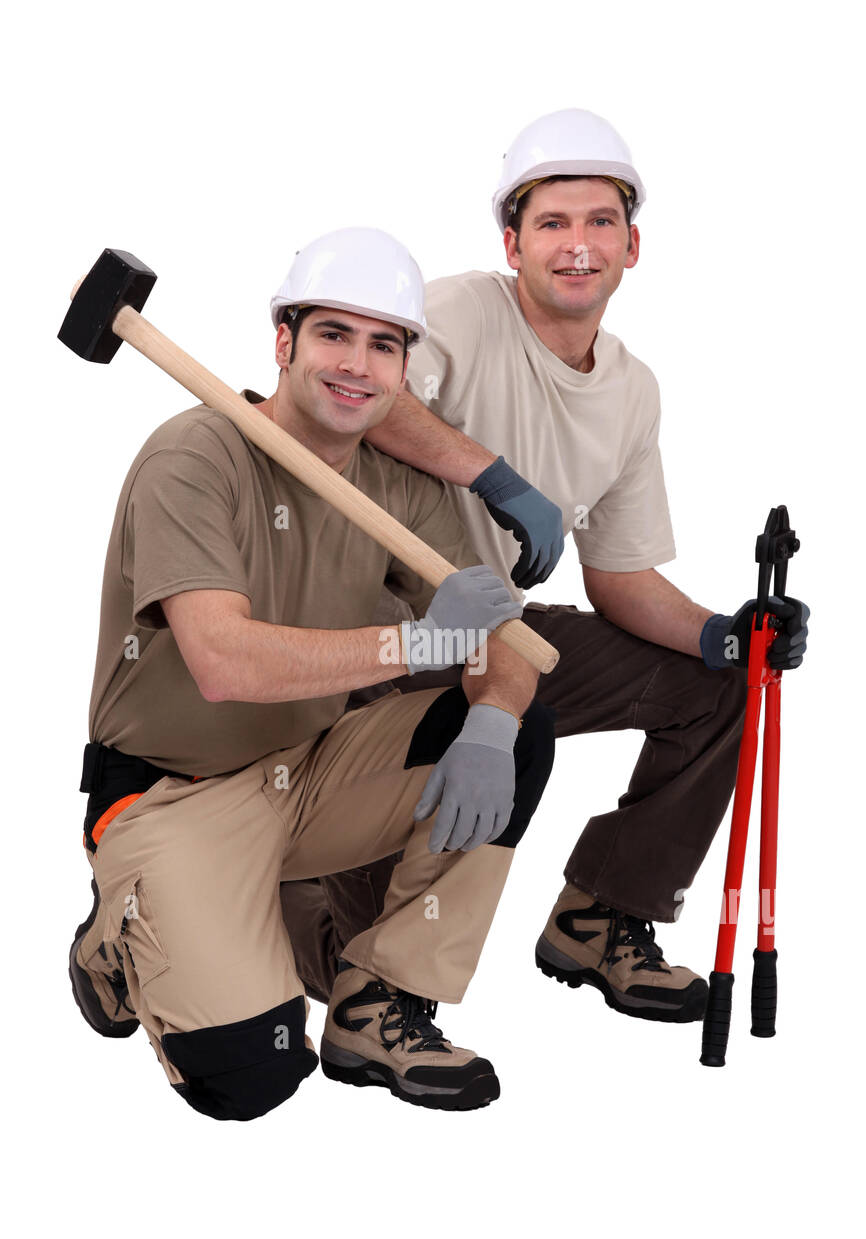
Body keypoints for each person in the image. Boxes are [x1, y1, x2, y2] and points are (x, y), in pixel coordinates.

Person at [283, 111, 809, 1026]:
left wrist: (725, 635)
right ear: (512, 242)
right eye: (553, 224)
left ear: (632, 244)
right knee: (344, 968)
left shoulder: (633, 390)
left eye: (600, 221)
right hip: (381, 639)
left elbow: (621, 576)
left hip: (501, 641)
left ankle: (603, 915)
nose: (578, 245)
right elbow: (367, 401)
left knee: (718, 683)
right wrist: (490, 473)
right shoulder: (454, 311)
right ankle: (268, 905)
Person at [68, 227, 555, 1119]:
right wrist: (414, 644)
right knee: (251, 1076)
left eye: (384, 344)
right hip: (170, 798)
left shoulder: (401, 489)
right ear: (285, 342)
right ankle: (115, 940)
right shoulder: (196, 456)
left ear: (404, 370)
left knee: (509, 729)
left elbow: (507, 649)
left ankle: (383, 999)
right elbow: (221, 660)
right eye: (334, 334)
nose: (357, 365)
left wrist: (491, 718)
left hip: (309, 777)